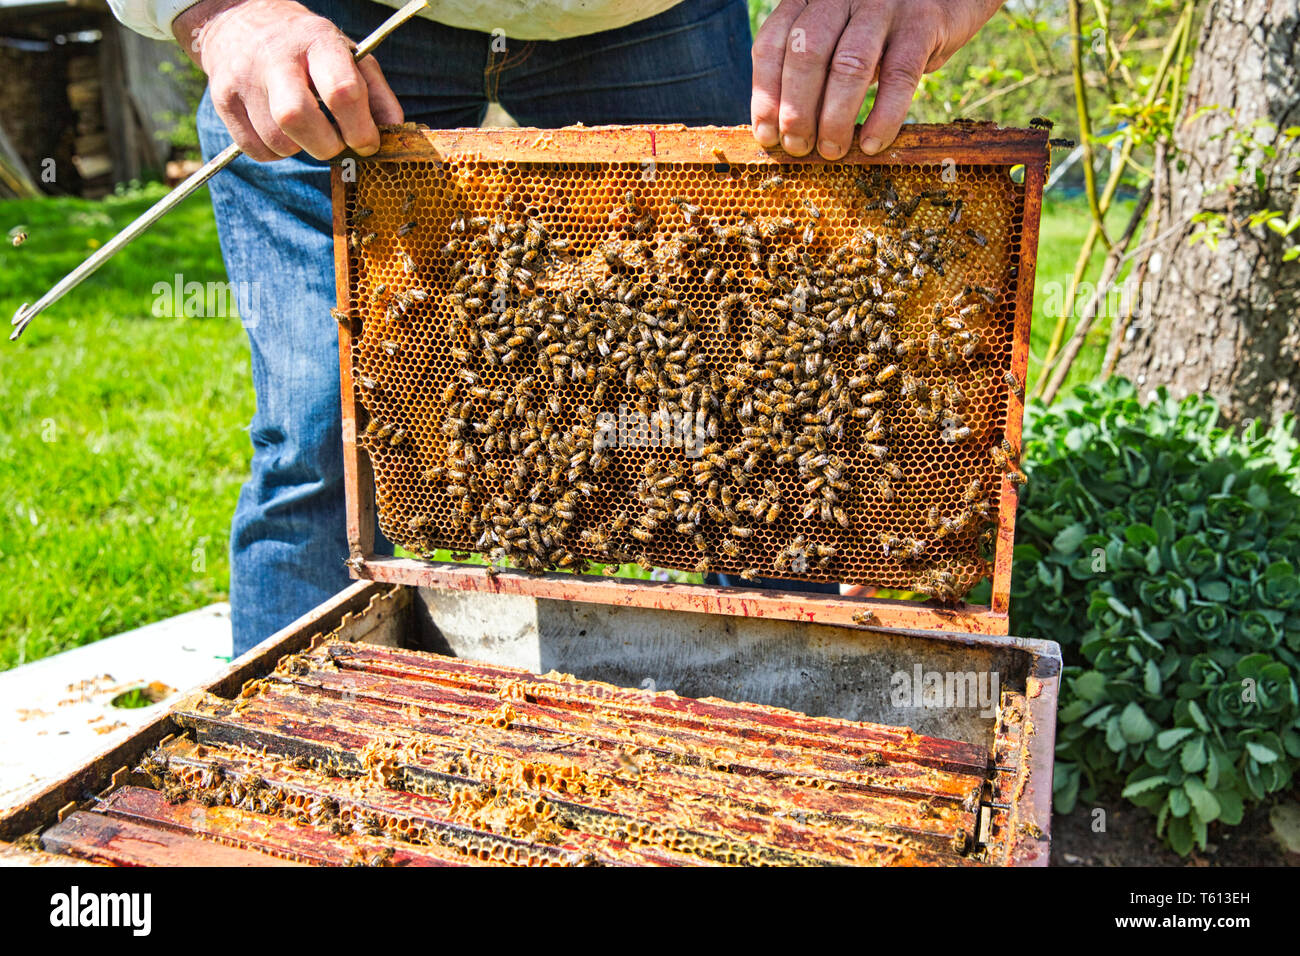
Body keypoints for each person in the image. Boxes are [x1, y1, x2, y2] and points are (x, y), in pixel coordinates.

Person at [107, 0, 1004, 655]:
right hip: (320, 25)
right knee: (321, 438)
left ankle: (793, 735)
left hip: (653, 13)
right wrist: (220, 11)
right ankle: (289, 766)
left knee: (756, 437)